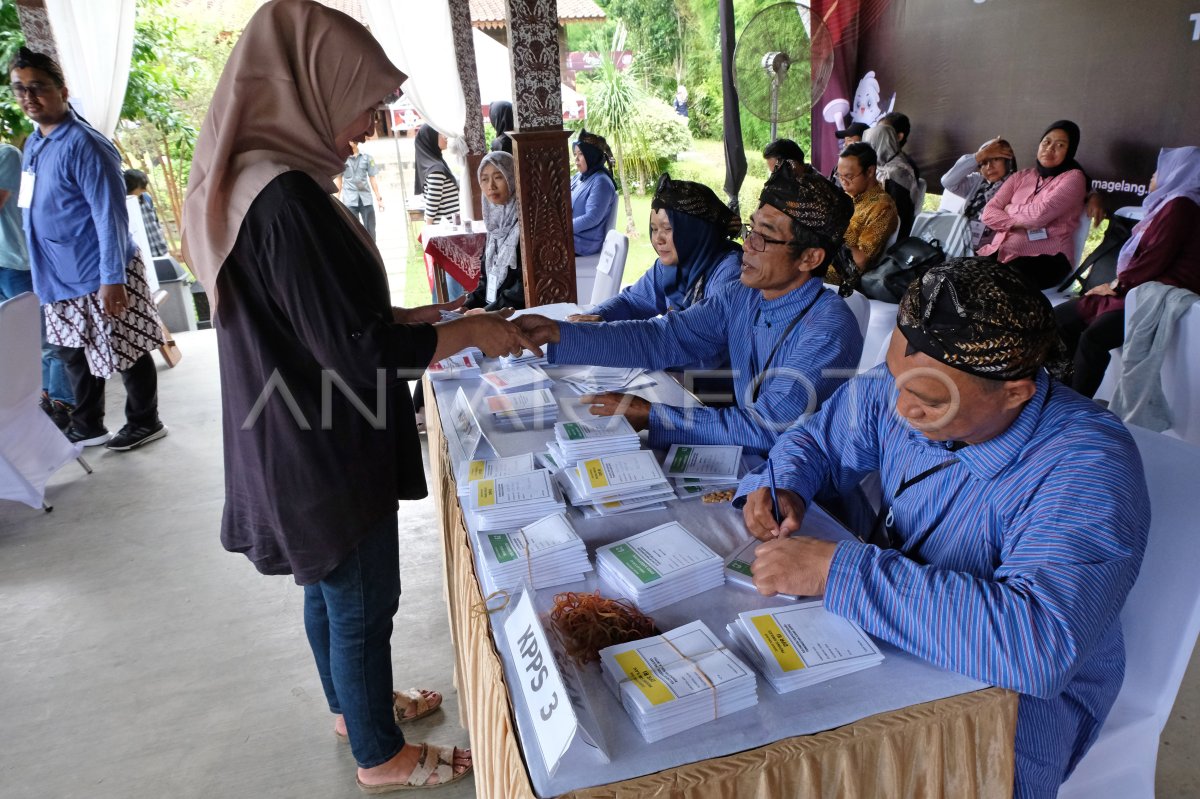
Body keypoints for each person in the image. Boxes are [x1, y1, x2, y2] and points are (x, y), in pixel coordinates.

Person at [181, 0, 539, 790]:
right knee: (360, 597)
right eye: (362, 104)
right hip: (321, 439)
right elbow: (356, 348)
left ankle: (354, 708)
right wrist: (475, 331)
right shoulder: (285, 202)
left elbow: (325, 317)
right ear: (310, 88)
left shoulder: (256, 182)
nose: (371, 125)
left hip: (291, 422)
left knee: (326, 584)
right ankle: (383, 753)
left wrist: (433, 314)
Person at [739, 258, 1149, 798]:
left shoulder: (1085, 464)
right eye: (895, 380)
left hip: (1006, 705)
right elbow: (816, 439)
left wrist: (837, 572)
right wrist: (787, 483)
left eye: (930, 402)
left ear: (1015, 393)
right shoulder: (907, 383)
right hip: (882, 638)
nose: (901, 408)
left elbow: (1038, 646)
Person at [515, 164, 862, 457]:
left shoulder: (829, 326)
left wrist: (656, 417)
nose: (747, 247)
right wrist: (561, 332)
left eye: (764, 237)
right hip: (746, 457)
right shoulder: (743, 295)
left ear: (809, 258)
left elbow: (769, 426)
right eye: (750, 231)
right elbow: (665, 337)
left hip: (806, 493)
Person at [11, 47, 166, 451]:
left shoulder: (86, 145)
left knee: (124, 348)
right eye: (20, 89)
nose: (29, 96)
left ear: (62, 90)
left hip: (99, 270)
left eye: (38, 87)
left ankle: (146, 422)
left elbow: (110, 216)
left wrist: (112, 279)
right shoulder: (35, 143)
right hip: (57, 272)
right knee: (70, 350)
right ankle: (87, 425)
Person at [1054, 146, 1200, 397]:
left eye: (1159, 170)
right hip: (1136, 288)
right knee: (1058, 319)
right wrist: (1118, 285)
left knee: (1093, 340)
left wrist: (1117, 286)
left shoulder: (1182, 206)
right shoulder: (1170, 204)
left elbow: (1156, 257)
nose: (1152, 176)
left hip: (1156, 294)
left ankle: (1075, 408)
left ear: (1178, 171)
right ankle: (1062, 393)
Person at [0, 139, 74, 428]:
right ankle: (43, 402)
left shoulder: (6, 154)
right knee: (18, 345)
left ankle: (62, 404)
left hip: (17, 264)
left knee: (46, 339)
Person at [979, 121, 1088, 289]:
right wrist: (1016, 222)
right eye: (1046, 142)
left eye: (1060, 145)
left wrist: (1009, 209)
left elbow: (1038, 216)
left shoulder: (1074, 178)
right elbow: (988, 213)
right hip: (1001, 253)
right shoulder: (1021, 176)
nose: (1050, 149)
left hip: (1047, 260)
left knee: (994, 288)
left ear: (1070, 150)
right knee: (963, 276)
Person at [463, 151, 523, 312]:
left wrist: (486, 313)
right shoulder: (493, 227)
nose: (491, 186)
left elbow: (522, 289)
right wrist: (466, 307)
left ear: (512, 177)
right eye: (484, 179)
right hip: (494, 312)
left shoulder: (524, 227)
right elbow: (487, 281)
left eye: (498, 177)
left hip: (515, 315)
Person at [940, 137, 1017, 252]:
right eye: (984, 162)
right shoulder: (976, 181)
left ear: (1008, 161)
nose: (989, 167)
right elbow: (948, 181)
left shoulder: (1018, 186)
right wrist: (979, 155)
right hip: (958, 243)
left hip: (990, 252)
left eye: (995, 159)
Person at [837, 141, 898, 275]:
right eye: (839, 176)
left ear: (870, 171)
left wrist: (835, 230)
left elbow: (860, 262)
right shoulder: (850, 197)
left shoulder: (882, 207)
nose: (843, 183)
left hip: (842, 275)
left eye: (848, 176)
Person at [570, 128, 618, 256]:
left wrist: (563, 229)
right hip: (571, 238)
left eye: (580, 154)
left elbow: (592, 218)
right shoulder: (579, 178)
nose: (576, 159)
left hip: (582, 244)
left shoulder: (601, 182)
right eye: (575, 155)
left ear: (591, 155)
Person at [863, 123, 917, 238]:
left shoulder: (897, 172)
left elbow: (894, 213)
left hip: (893, 233)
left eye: (871, 145)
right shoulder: (882, 165)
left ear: (882, 143)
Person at [335, 139, 384, 241]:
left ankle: (373, 254)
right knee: (353, 231)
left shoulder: (367, 157)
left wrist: (379, 199)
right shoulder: (341, 160)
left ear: (355, 142)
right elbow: (339, 180)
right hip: (350, 200)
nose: (348, 142)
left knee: (370, 231)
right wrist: (336, 199)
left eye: (351, 140)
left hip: (366, 199)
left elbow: (372, 178)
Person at [414, 124, 457, 226]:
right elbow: (431, 206)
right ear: (431, 137)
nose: (445, 136)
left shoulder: (435, 165)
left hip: (446, 229)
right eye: (440, 133)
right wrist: (428, 232)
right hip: (444, 231)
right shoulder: (436, 170)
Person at [124, 168, 171, 258]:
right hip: (143, 253)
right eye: (141, 186)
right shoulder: (124, 205)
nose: (144, 189)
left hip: (160, 248)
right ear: (131, 186)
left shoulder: (146, 198)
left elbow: (155, 221)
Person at [879, 111, 920, 181]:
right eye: (876, 132)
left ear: (899, 137)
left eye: (882, 132)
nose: (877, 136)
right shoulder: (876, 159)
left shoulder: (905, 168)